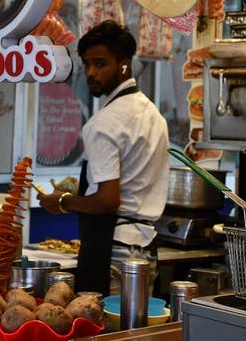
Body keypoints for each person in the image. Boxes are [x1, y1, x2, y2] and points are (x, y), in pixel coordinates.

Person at [37, 19, 170, 297]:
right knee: (133, 336)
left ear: (123, 65)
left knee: (103, 336)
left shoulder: (103, 124)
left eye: (100, 64)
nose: (90, 73)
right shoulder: (152, 114)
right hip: (144, 249)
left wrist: (61, 202)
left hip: (114, 252)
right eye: (86, 64)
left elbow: (108, 201)